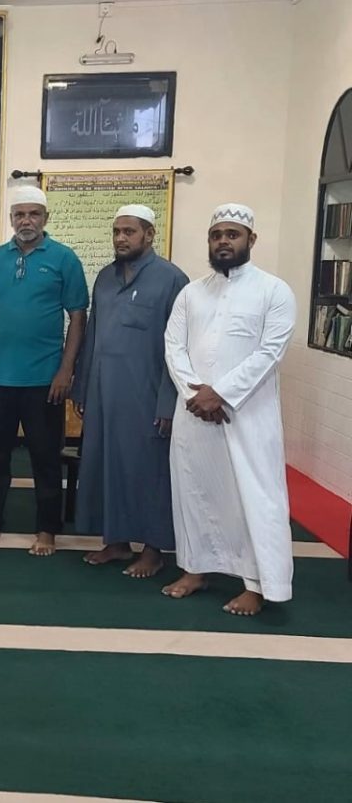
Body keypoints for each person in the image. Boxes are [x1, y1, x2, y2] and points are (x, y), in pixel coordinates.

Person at [162, 204, 296, 616]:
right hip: (194, 412)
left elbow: (270, 352)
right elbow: (173, 345)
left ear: (250, 240)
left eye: (232, 234)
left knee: (254, 497)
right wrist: (195, 394)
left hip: (246, 414)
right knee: (194, 490)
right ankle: (196, 568)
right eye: (216, 234)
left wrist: (219, 393)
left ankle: (258, 585)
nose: (223, 241)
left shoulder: (275, 291)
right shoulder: (192, 292)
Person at [71, 205, 188, 578]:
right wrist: (82, 387)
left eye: (129, 232)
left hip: (147, 395)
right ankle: (117, 542)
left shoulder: (172, 279)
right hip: (103, 394)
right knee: (105, 465)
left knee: (149, 471)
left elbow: (181, 347)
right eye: (117, 232)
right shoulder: (104, 278)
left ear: (149, 235)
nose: (121, 238)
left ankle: (153, 550)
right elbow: (92, 336)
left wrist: (169, 402)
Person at [0, 185, 88, 556]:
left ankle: (47, 530)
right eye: (19, 214)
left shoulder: (64, 258)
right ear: (11, 219)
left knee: (44, 456)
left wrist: (65, 370)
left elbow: (77, 316)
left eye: (34, 214)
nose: (26, 221)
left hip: (45, 379)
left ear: (45, 218)